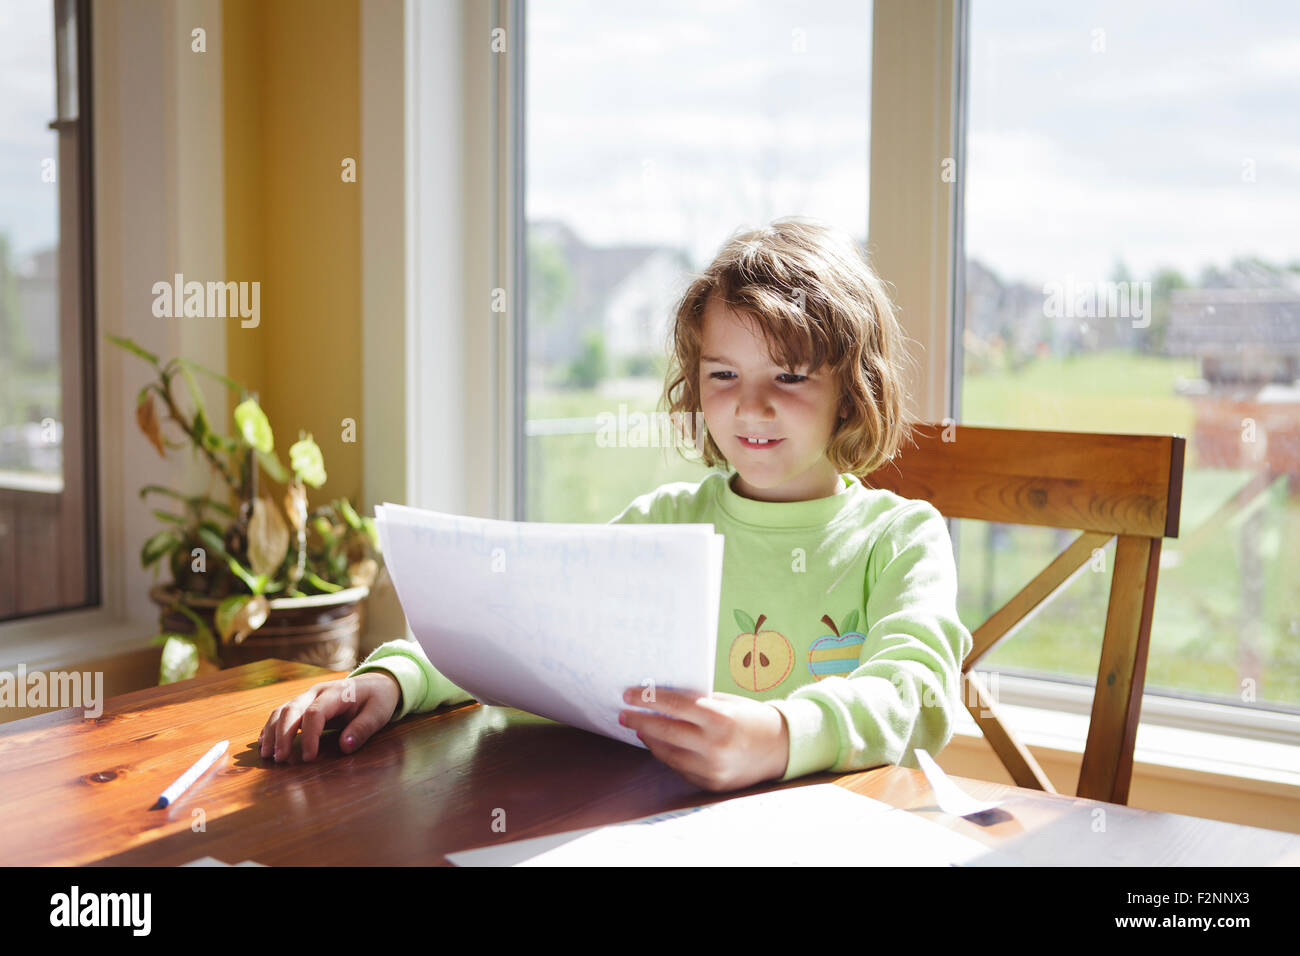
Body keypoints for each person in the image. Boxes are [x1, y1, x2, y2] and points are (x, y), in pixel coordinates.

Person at [258, 217, 973, 794]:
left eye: (788, 375)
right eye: (723, 373)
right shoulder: (666, 524)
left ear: (852, 391)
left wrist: (777, 737)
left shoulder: (901, 537)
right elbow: (522, 632)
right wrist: (391, 680)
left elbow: (918, 695)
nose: (751, 404)